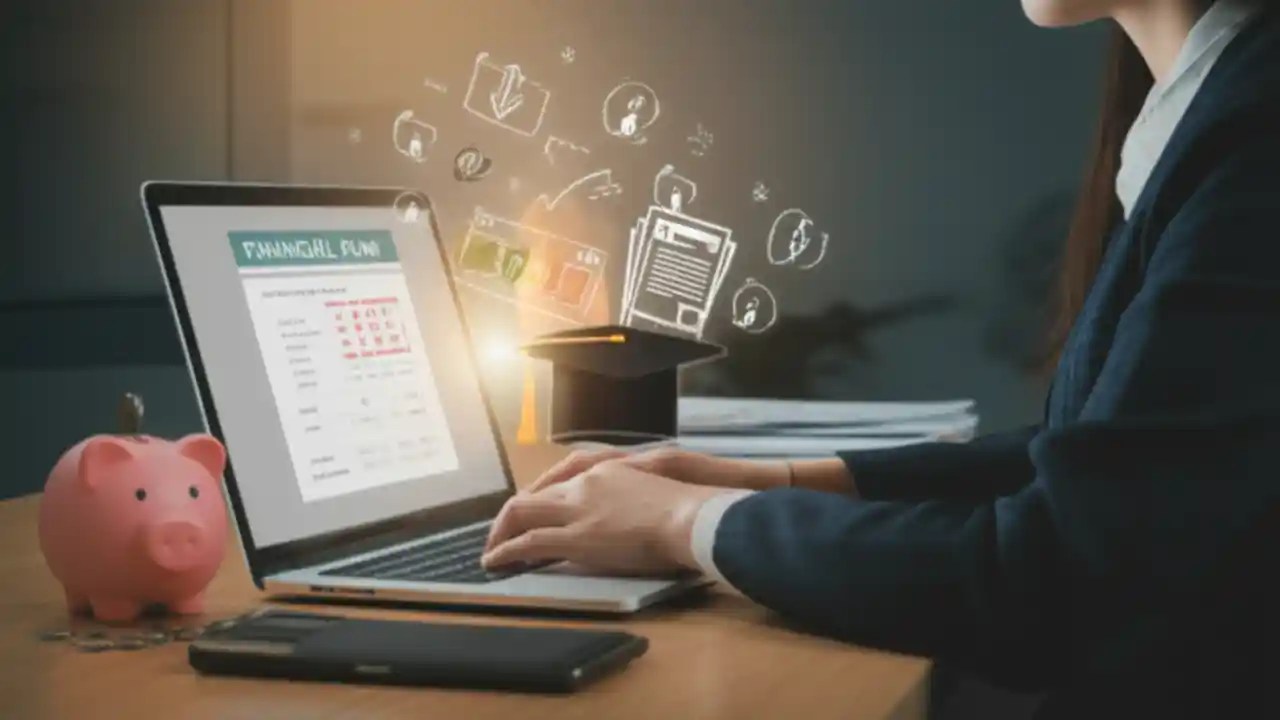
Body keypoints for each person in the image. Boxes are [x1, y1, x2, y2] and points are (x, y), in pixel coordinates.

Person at [484, 0, 1280, 715]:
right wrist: (773, 482)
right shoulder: (1217, 106)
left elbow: (1054, 577)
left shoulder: (1254, 139)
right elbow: (1100, 467)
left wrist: (682, 523)